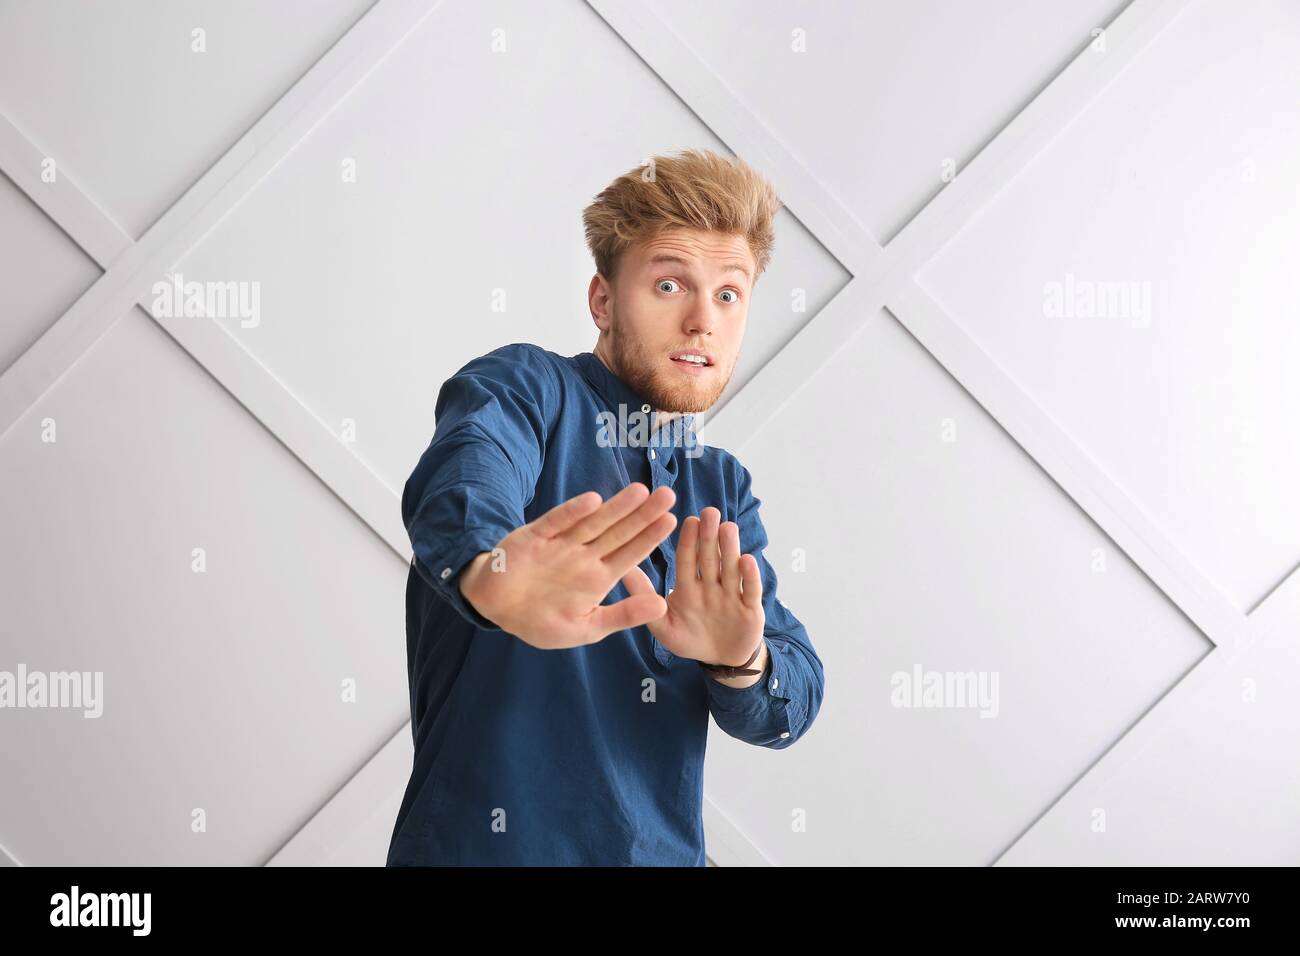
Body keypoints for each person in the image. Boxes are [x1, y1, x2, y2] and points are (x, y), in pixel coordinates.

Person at [386, 148, 825, 866]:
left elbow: (792, 695)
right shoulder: (528, 389)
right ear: (603, 301)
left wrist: (739, 659)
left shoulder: (720, 489)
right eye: (669, 284)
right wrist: (488, 569)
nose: (701, 322)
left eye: (728, 294)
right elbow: (465, 477)